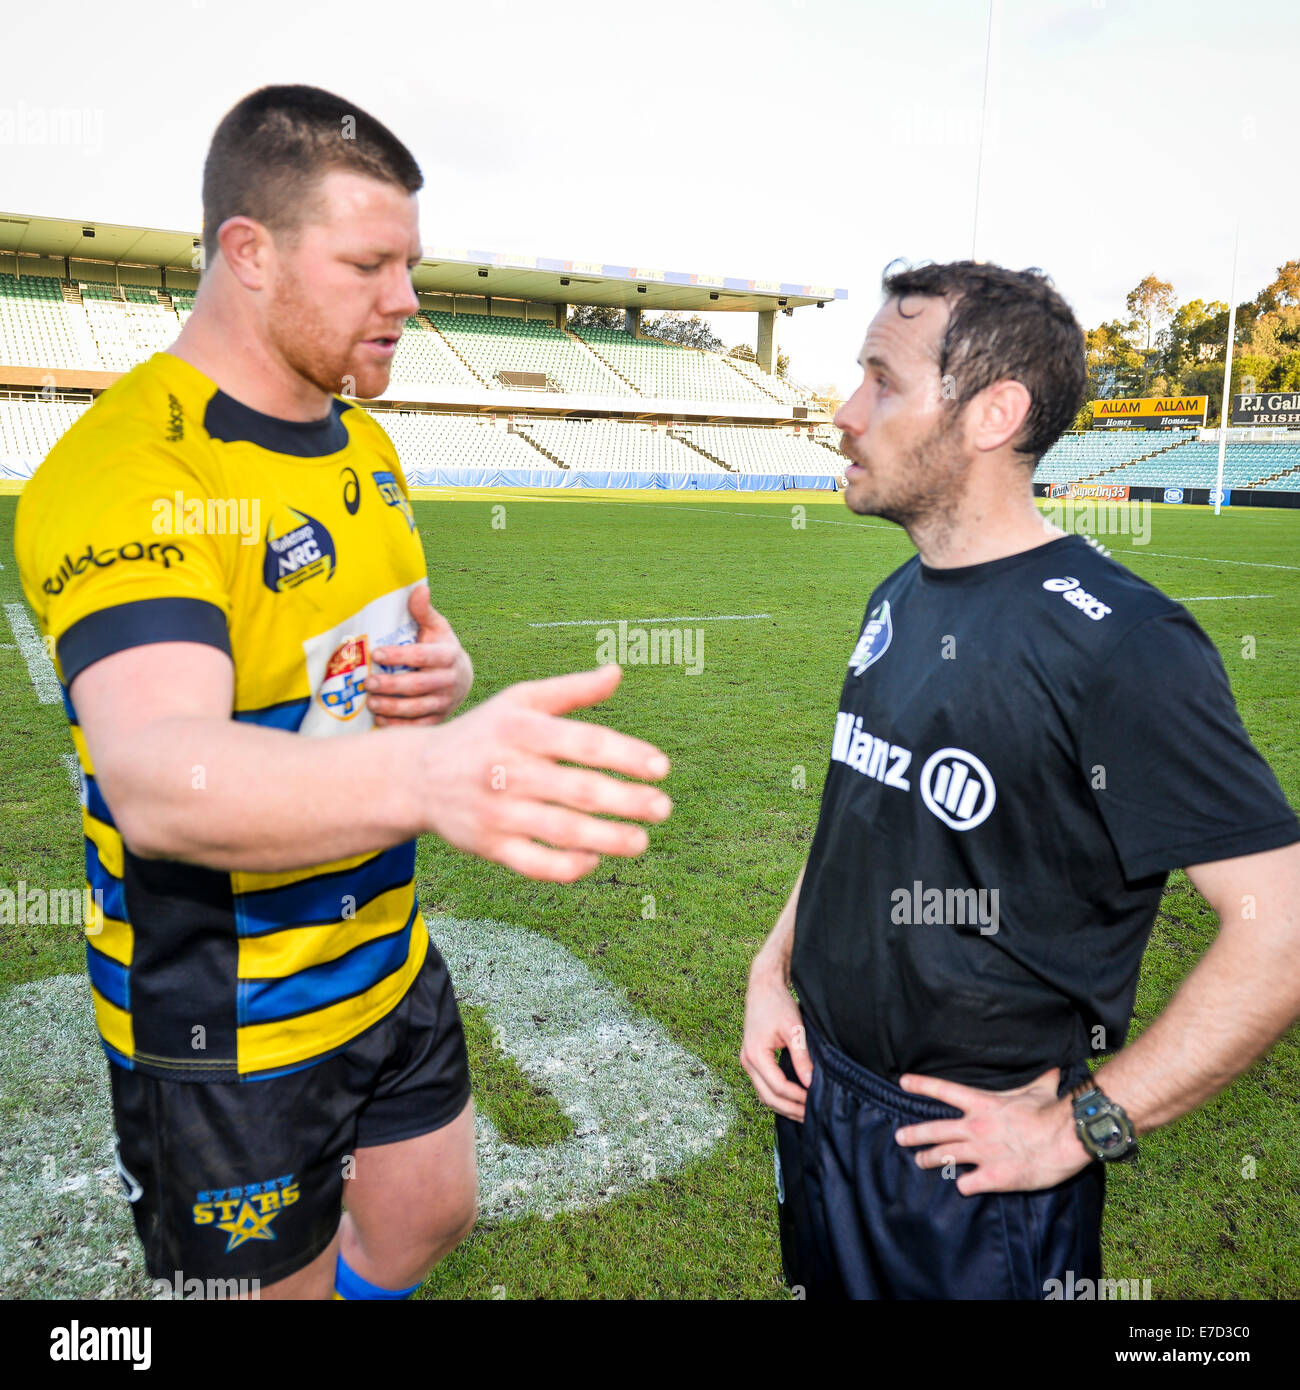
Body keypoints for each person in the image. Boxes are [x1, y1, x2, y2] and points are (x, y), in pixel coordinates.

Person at [15, 84, 672, 1301]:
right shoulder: (130, 469)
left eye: (409, 262)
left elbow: (384, 646)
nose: (408, 298)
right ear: (249, 254)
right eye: (370, 262)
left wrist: (446, 675)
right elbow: (161, 776)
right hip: (230, 1021)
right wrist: (428, 773)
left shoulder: (364, 442)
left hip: (383, 955)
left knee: (429, 1213)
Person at [739, 260, 1300, 1300]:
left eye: (881, 381)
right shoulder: (897, 593)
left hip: (967, 1158)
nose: (846, 409)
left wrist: (1086, 1122)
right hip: (828, 1101)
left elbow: (1281, 926)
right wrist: (774, 972)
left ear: (993, 412)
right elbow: (859, 818)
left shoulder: (1125, 643)